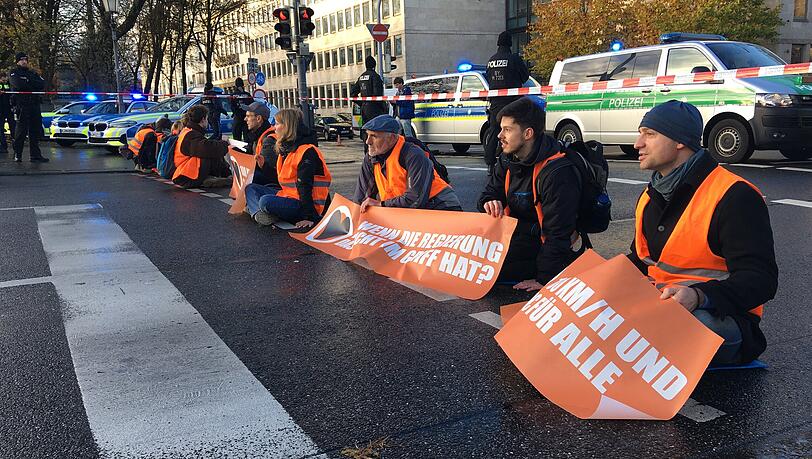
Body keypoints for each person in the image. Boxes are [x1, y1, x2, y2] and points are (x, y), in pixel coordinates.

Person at [627, 100, 778, 365]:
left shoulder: (734, 196)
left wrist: (699, 296)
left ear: (679, 141)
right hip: (660, 305)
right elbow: (640, 261)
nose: (638, 144)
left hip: (718, 315)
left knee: (687, 325)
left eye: (649, 134)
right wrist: (589, 280)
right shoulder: (650, 196)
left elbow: (760, 279)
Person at [478, 97, 584, 292]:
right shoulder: (507, 159)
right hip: (518, 237)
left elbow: (558, 232)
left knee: (485, 273)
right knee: (473, 262)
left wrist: (545, 279)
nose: (499, 135)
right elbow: (490, 192)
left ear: (528, 133)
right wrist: (489, 201)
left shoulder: (557, 172)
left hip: (545, 245)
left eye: (507, 130)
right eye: (501, 129)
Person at [353, 114, 461, 212]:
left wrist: (381, 204)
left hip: (440, 206)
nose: (368, 141)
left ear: (392, 138)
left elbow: (415, 199)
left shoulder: (412, 154)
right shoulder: (371, 158)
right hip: (402, 209)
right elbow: (361, 198)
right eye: (367, 135)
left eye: (374, 136)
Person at [244, 108, 331, 228]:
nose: (274, 127)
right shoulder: (286, 149)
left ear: (287, 127)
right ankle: (261, 214)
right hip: (288, 196)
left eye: (277, 123)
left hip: (306, 204)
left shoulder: (306, 151)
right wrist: (265, 167)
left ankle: (261, 211)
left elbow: (305, 187)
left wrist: (309, 217)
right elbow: (281, 179)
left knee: (265, 201)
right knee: (251, 188)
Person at [484, 32, 530, 175]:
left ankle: (490, 163)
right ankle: (513, 159)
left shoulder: (491, 60)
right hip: (512, 102)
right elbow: (525, 76)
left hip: (496, 102)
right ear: (510, 43)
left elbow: (489, 79)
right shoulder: (514, 59)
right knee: (513, 130)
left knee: (494, 131)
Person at [172, 105, 232, 188]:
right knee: (211, 150)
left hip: (185, 172)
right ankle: (218, 177)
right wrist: (224, 143)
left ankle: (223, 176)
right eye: (207, 119)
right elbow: (208, 148)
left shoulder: (188, 131)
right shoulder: (190, 135)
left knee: (213, 148)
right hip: (186, 175)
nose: (208, 121)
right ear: (203, 119)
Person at [9, 52, 48, 162]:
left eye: (25, 59)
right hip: (22, 104)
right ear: (17, 61)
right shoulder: (14, 72)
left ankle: (35, 155)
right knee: (21, 131)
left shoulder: (32, 73)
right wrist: (31, 84)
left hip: (34, 104)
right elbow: (19, 85)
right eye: (21, 60)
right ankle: (18, 154)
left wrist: (28, 80)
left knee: (35, 130)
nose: (24, 61)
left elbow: (41, 84)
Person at [350, 56, 387, 153]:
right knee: (376, 132)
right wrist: (383, 108)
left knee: (366, 131)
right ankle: (376, 153)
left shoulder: (361, 77)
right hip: (375, 109)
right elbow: (378, 95)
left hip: (364, 109)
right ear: (374, 65)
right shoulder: (375, 76)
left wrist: (362, 103)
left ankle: (367, 153)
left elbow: (352, 94)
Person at [241, 101, 278, 186]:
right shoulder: (258, 135)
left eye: (248, 116)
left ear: (258, 118)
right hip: (269, 179)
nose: (245, 119)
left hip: (272, 183)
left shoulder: (269, 139)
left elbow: (267, 171)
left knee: (250, 176)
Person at [0, 71, 16, 154]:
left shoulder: (9, 84)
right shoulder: (6, 84)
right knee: (1, 128)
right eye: (3, 79)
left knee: (13, 127)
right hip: (1, 109)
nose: (5, 80)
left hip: (8, 108)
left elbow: (12, 94)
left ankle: (16, 146)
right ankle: (3, 146)